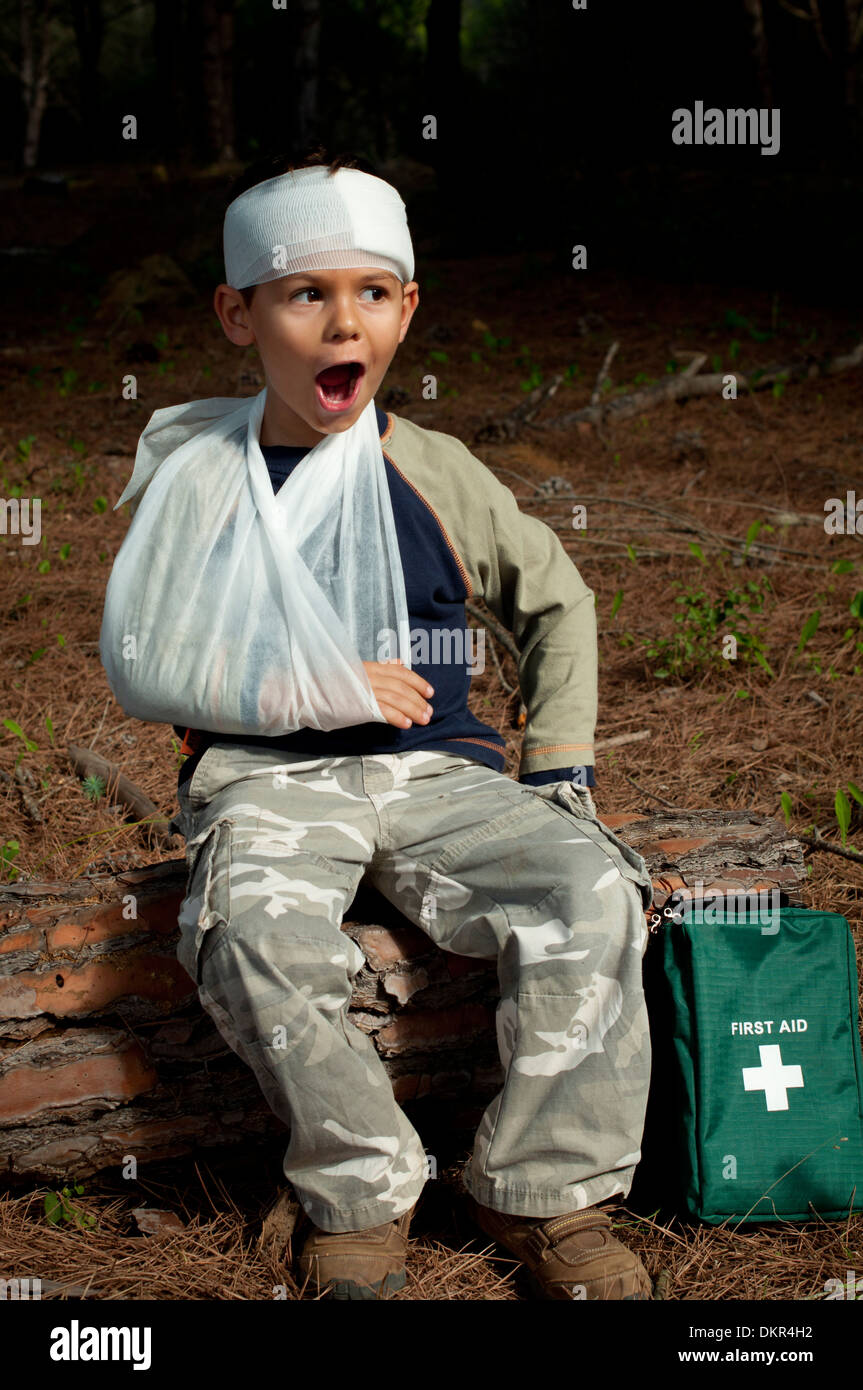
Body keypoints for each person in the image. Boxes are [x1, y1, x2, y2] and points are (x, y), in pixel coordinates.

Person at [163, 147, 656, 1300]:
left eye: (371, 293)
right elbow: (163, 654)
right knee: (252, 930)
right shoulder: (202, 482)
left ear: (406, 309)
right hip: (267, 779)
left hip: (439, 772)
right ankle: (361, 1179)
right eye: (305, 294)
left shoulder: (433, 467)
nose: (343, 322)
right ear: (238, 315)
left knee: (589, 888)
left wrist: (560, 770)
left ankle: (544, 1183)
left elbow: (555, 598)